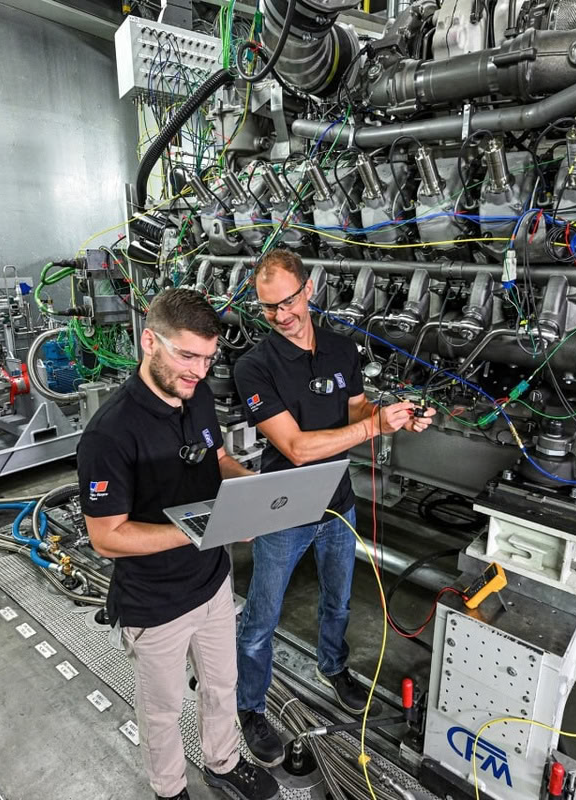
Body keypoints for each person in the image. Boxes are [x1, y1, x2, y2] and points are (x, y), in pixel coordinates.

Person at [231, 249, 436, 766]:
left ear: (311, 288)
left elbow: (354, 408)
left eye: (288, 301)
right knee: (261, 617)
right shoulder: (254, 366)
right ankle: (250, 708)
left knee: (339, 602)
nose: (281, 315)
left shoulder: (342, 350)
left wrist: (392, 413)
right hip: (283, 506)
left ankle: (333, 666)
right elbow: (297, 448)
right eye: (268, 308)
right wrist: (373, 428)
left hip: (338, 503)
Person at [78, 289, 278, 800]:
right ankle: (170, 790)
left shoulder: (198, 394)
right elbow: (107, 537)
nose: (197, 371)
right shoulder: (110, 433)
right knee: (163, 710)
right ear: (150, 342)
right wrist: (205, 529)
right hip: (155, 602)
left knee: (221, 687)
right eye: (186, 356)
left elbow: (214, 462)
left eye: (208, 359)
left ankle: (224, 762)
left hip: (211, 584)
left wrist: (248, 493)